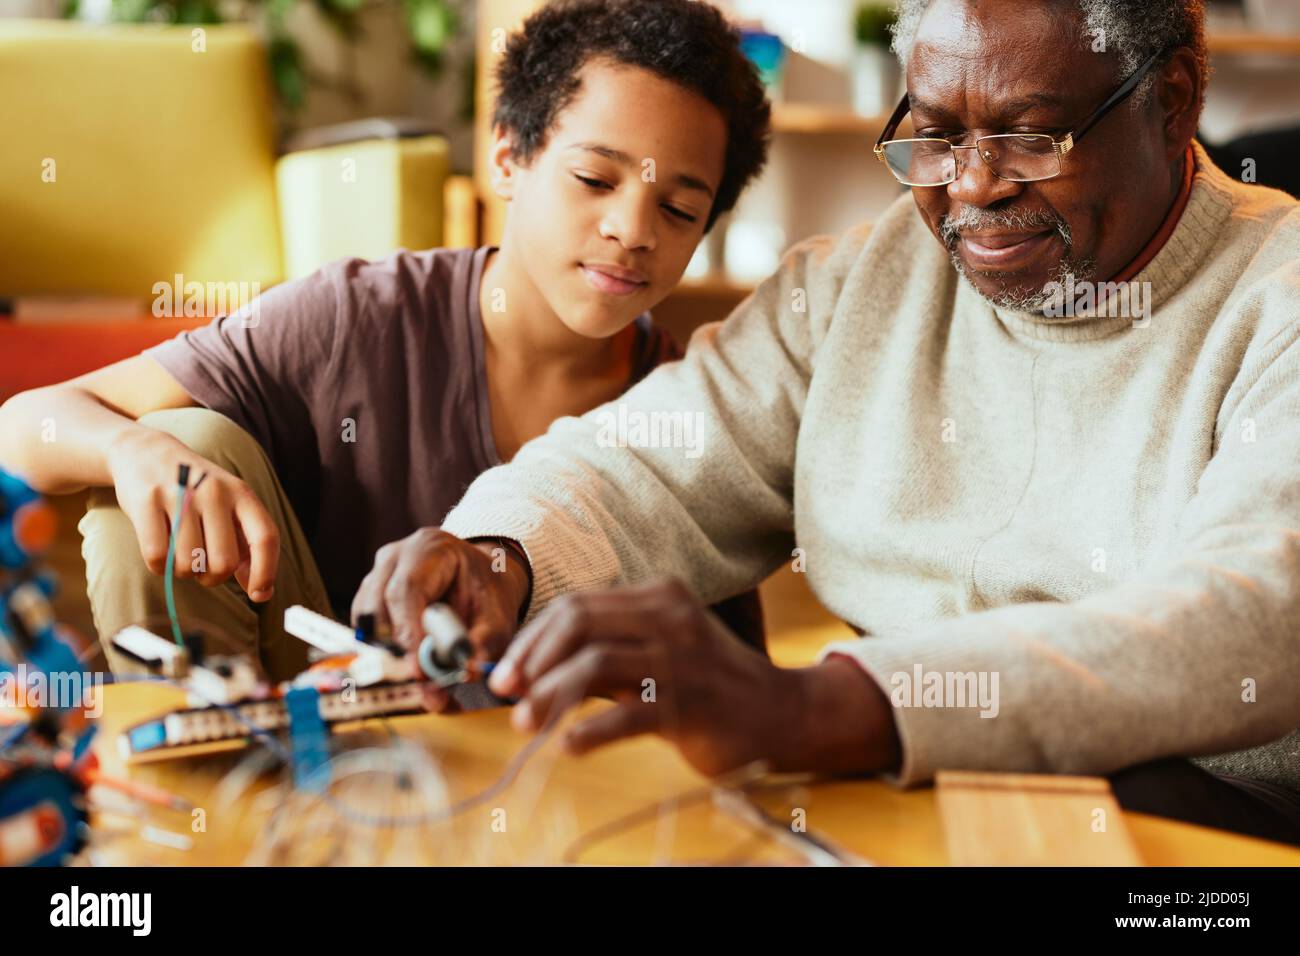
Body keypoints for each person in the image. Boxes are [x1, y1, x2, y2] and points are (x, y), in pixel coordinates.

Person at [358, 0, 1300, 844]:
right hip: (890, 796)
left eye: (1029, 137)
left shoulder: (1280, 294)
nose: (971, 187)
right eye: (934, 136)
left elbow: (1248, 616)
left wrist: (831, 706)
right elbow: (645, 461)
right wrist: (499, 555)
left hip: (1205, 838)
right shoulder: (859, 282)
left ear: (1170, 100)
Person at [0, 0, 771, 682]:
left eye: (677, 209)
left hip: (541, 773)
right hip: (301, 728)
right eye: (596, 181)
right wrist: (131, 451)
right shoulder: (355, 317)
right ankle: (211, 789)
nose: (631, 231)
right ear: (508, 158)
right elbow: (24, 426)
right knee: (174, 439)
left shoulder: (687, 416)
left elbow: (730, 682)